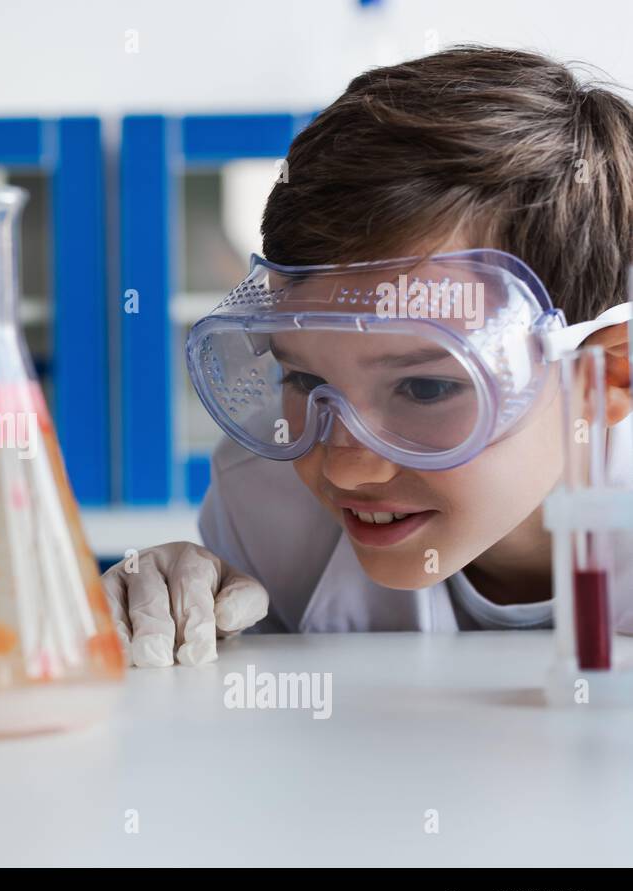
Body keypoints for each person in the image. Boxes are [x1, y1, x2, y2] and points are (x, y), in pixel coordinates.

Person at [104, 46, 633, 666]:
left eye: (426, 388)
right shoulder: (266, 497)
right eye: (302, 376)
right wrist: (170, 625)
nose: (348, 470)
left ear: (607, 380)